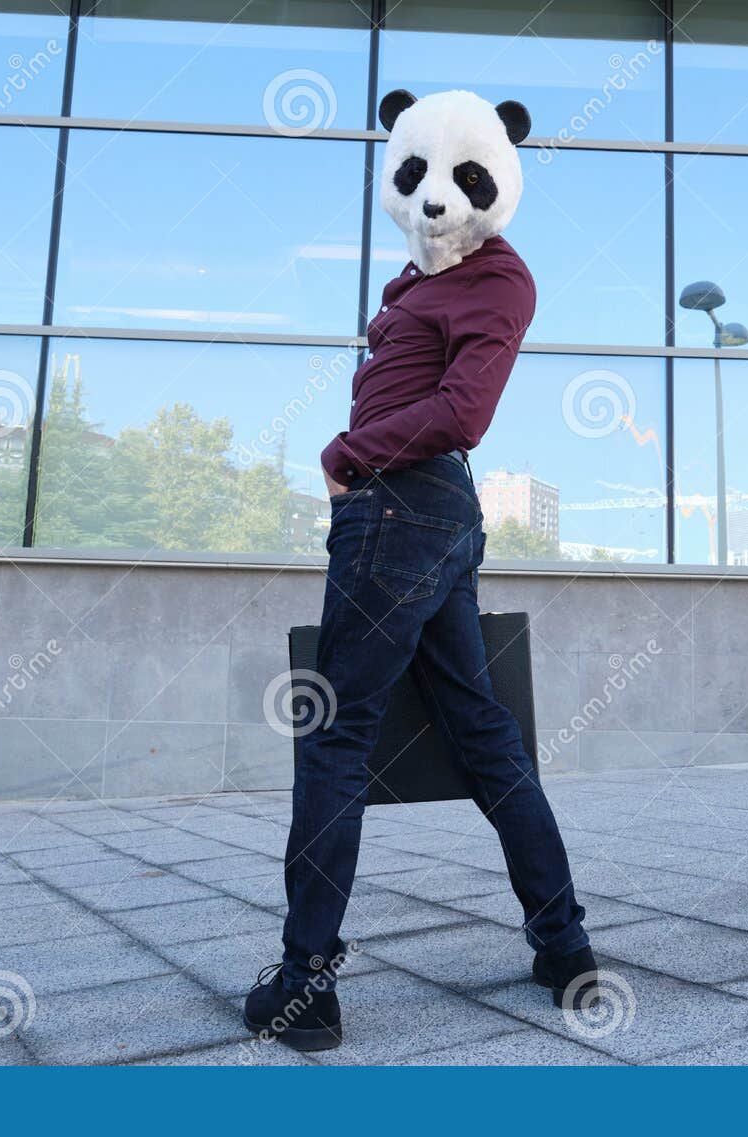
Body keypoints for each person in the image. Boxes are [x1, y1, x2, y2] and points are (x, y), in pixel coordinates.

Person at [243, 89, 597, 1052]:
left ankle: (306, 984)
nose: (437, 196)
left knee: (336, 733)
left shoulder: (497, 279)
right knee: (482, 734)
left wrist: (346, 455)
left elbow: (464, 414)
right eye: (418, 175)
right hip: (429, 512)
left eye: (463, 178)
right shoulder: (424, 281)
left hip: (402, 506)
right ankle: (563, 949)